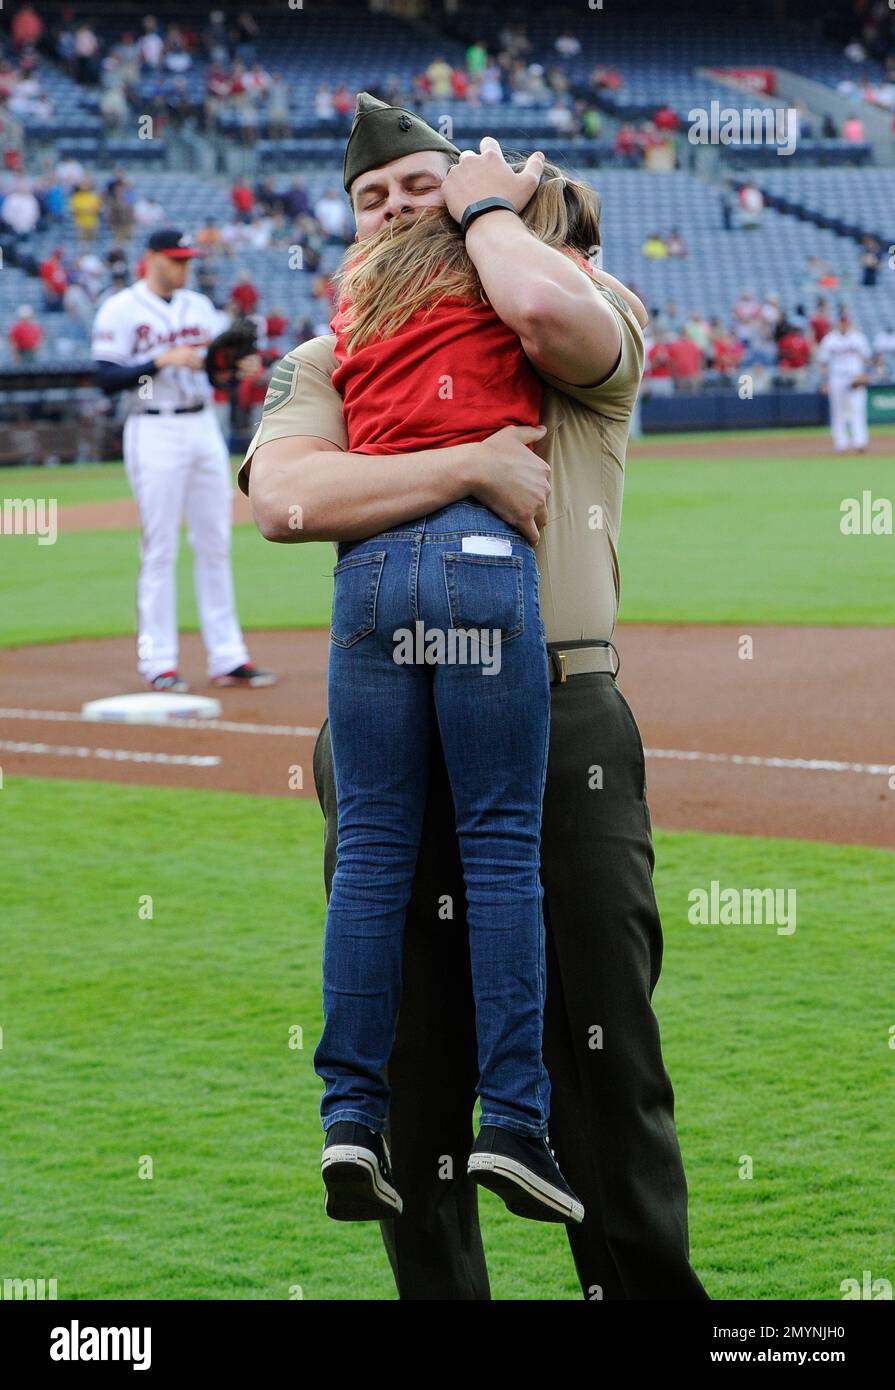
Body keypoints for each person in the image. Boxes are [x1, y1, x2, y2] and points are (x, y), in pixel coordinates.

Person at [242, 95, 708, 1301]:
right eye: (369, 198)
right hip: (391, 718)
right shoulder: (333, 349)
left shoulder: (570, 297)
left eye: (419, 185)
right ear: (345, 225)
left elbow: (548, 311)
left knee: (604, 1061)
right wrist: (464, 464)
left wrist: (492, 215)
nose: (395, 208)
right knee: (413, 1069)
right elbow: (285, 500)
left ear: (468, 190)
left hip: (559, 718)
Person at [314, 162, 614, 1225]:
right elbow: (538, 299)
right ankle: (515, 1125)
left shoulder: (352, 306)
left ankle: (349, 1117)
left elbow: (293, 493)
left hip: (367, 576)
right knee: (498, 849)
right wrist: (494, 199)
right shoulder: (497, 278)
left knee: (369, 855)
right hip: (482, 561)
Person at [91, 227, 277, 691]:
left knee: (215, 542)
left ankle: (228, 657)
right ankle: (159, 662)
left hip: (202, 426)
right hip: (152, 426)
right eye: (174, 259)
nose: (182, 267)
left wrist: (240, 367)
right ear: (150, 258)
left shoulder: (200, 307)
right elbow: (105, 378)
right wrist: (162, 360)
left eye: (187, 260)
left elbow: (221, 371)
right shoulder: (121, 308)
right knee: (160, 547)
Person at [817, 309, 871, 454]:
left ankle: (860, 442)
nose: (844, 324)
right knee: (837, 411)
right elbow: (823, 363)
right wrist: (824, 381)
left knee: (858, 409)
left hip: (855, 377)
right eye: (841, 321)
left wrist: (864, 375)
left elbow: (866, 359)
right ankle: (840, 443)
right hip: (836, 377)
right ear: (837, 322)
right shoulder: (829, 339)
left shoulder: (859, 338)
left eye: (845, 321)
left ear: (849, 322)